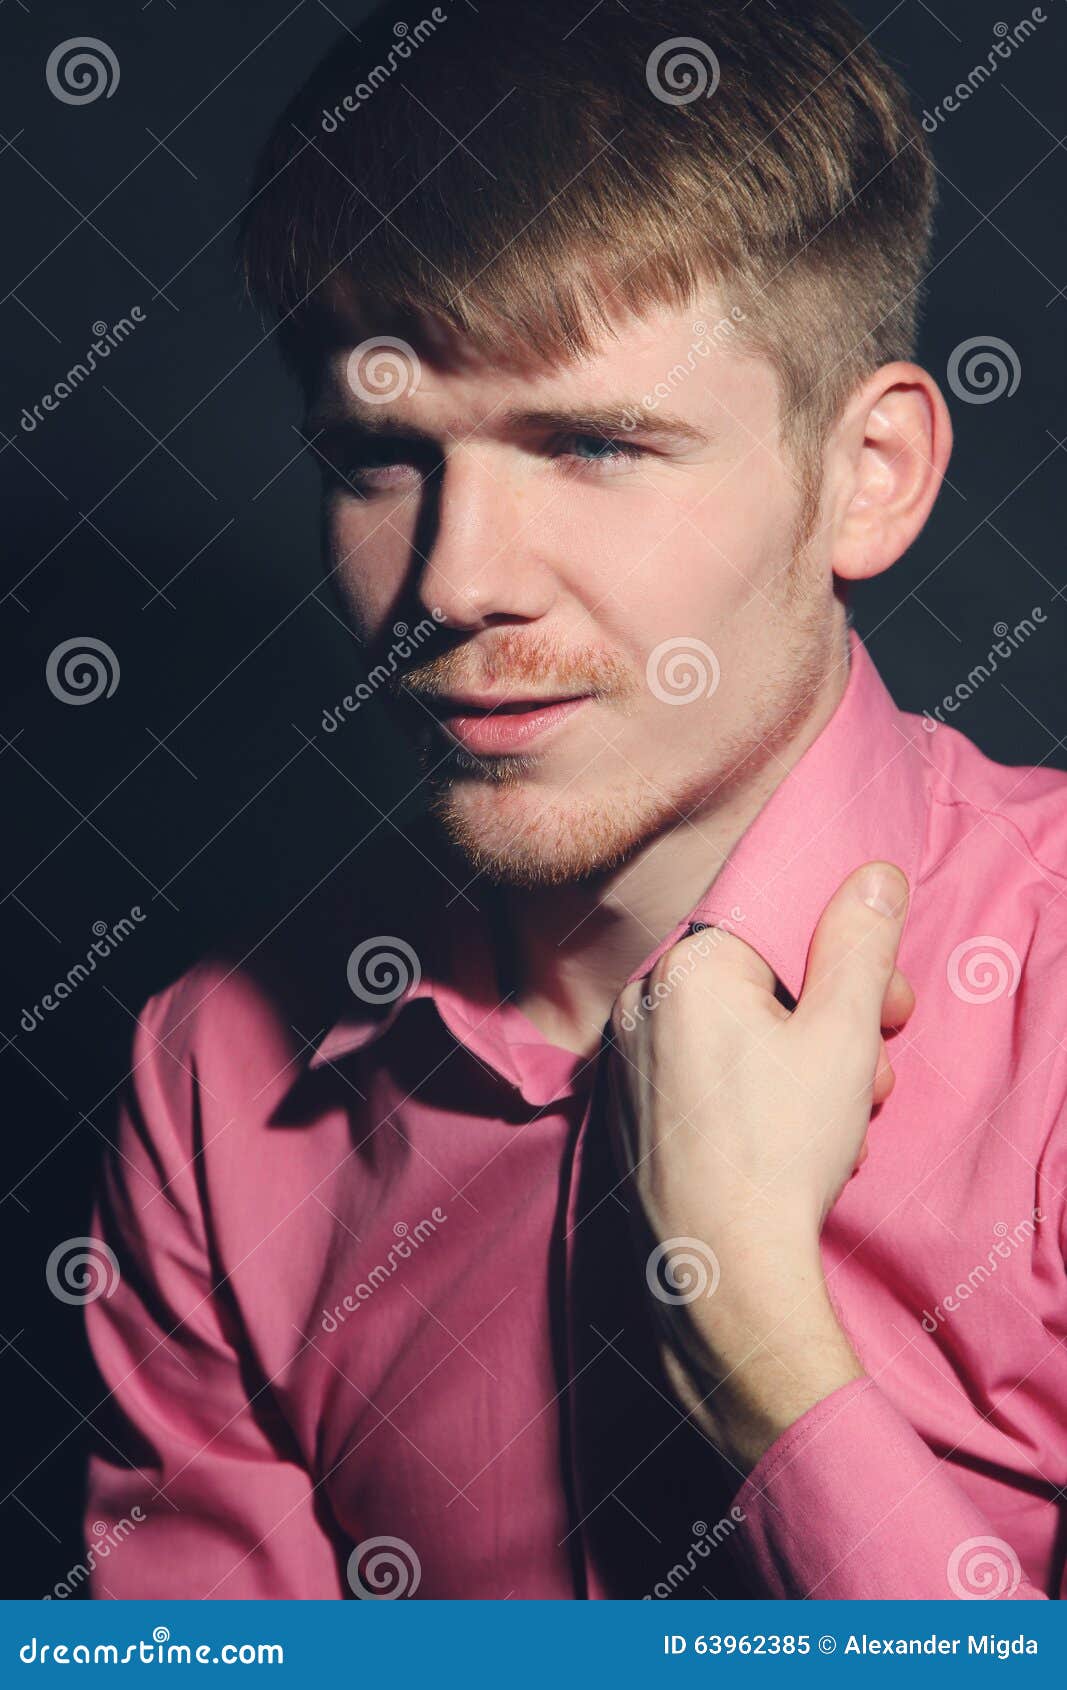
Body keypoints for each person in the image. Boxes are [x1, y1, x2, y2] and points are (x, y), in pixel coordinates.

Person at [84, 0, 1067, 1600]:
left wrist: (757, 1341)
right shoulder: (213, 1086)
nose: (456, 581)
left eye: (594, 442)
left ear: (867, 472)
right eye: (380, 457)